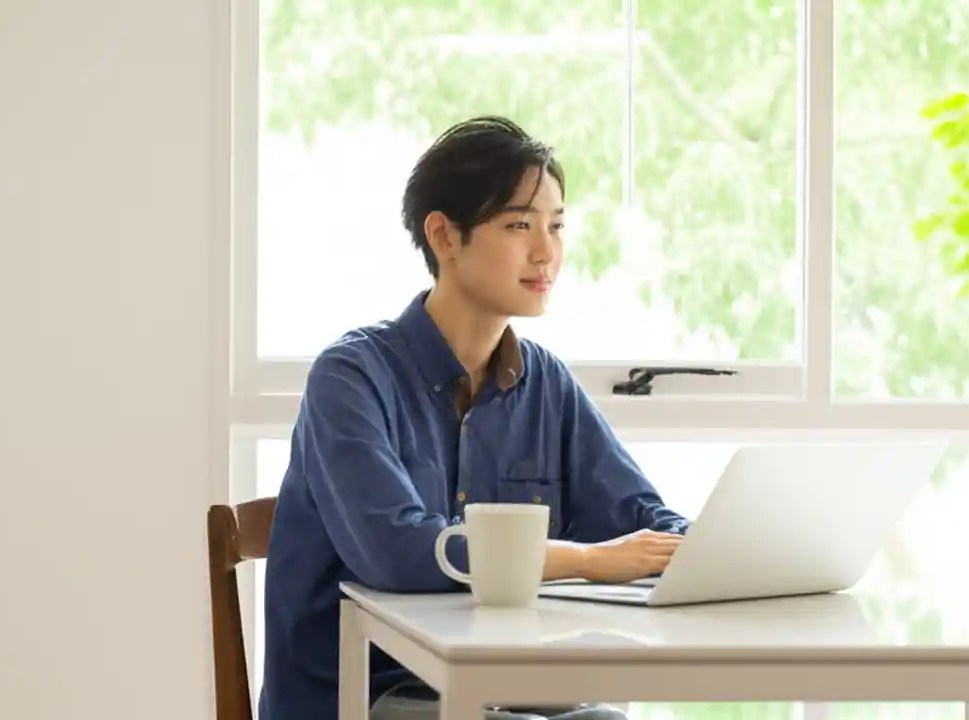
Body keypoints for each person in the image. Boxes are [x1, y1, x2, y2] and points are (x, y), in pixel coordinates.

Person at [258, 116, 690, 720]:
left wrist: (717, 550)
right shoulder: (350, 378)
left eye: (557, 226)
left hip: (502, 694)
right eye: (519, 224)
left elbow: (643, 522)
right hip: (361, 698)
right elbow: (400, 552)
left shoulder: (547, 386)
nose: (547, 252)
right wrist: (587, 560)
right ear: (444, 236)